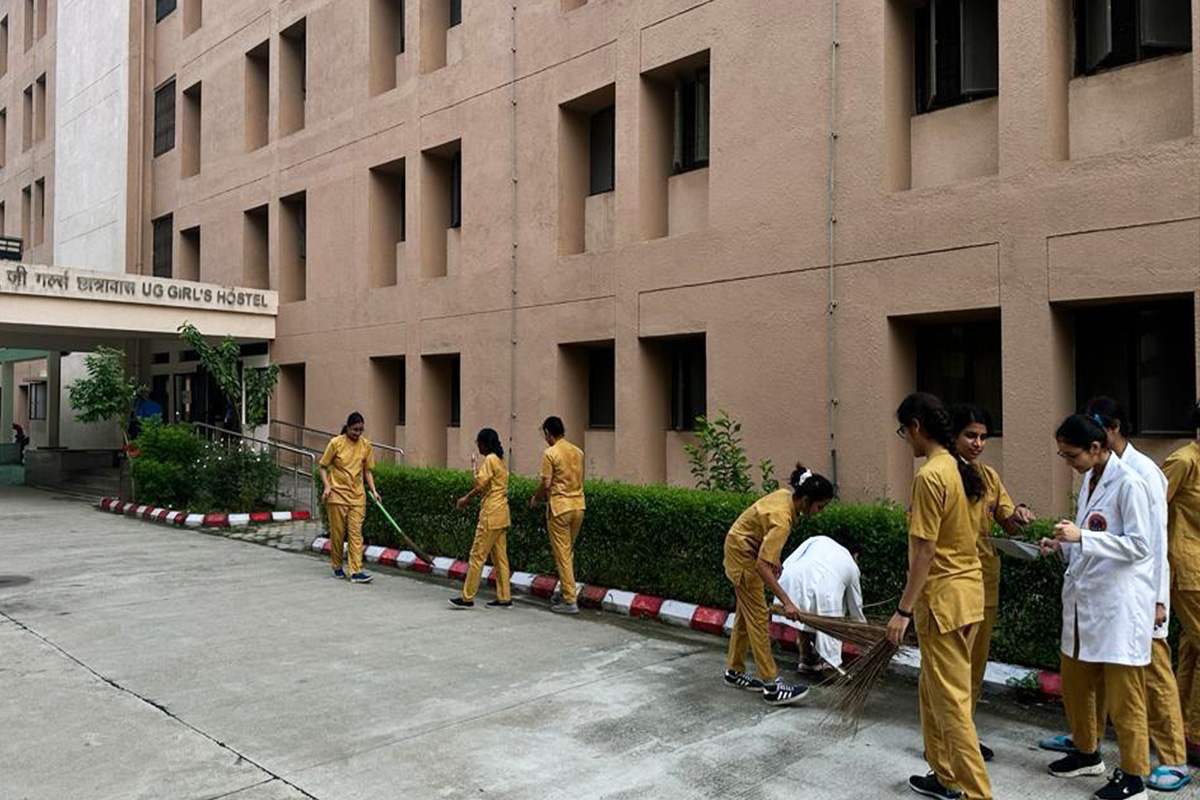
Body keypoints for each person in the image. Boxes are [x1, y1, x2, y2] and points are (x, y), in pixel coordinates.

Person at [1039, 397, 1188, 792]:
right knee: (1076, 682)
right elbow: (1096, 537)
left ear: (1097, 446)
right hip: (1086, 602)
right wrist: (1064, 544)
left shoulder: (1133, 482)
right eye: (1063, 456)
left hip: (1120, 608)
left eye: (1072, 455)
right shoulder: (1091, 479)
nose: (1069, 463)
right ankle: (1087, 752)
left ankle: (1134, 773)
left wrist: (1084, 536)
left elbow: (1142, 545)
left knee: (1126, 697)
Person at [889, 392, 992, 800]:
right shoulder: (958, 468)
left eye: (903, 431)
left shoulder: (931, 475)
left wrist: (903, 610)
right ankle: (945, 775)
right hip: (967, 596)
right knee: (933, 690)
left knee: (951, 703)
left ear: (916, 426)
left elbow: (926, 551)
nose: (905, 440)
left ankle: (976, 792)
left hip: (943, 601)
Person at [951, 404, 1035, 762]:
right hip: (951, 586)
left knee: (976, 665)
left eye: (984, 437)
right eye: (971, 435)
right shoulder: (940, 475)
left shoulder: (989, 477)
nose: (979, 443)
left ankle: (964, 733)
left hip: (984, 583)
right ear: (953, 435)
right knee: (952, 667)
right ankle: (944, 741)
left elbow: (1007, 521)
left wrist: (1019, 516)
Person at [722, 463, 834, 707]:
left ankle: (734, 670)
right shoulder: (783, 520)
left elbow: (761, 533)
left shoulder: (785, 497)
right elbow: (762, 567)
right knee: (759, 618)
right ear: (805, 499)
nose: (820, 511)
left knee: (746, 615)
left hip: (741, 547)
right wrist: (788, 602)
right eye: (819, 506)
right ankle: (771, 685)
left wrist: (774, 559)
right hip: (743, 557)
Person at [776, 531, 863, 675]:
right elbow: (856, 605)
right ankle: (830, 663)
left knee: (801, 616)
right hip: (825, 590)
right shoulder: (852, 565)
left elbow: (793, 558)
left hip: (792, 578)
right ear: (855, 555)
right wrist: (861, 629)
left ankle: (807, 659)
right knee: (833, 620)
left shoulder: (818, 540)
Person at [1166, 400, 1200, 769]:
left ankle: (1181, 731)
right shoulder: (1183, 461)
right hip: (1189, 570)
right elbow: (1152, 510)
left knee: (1192, 650)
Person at [449, 428, 513, 610]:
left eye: (478, 442)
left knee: (477, 556)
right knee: (500, 558)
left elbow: (479, 484)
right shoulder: (501, 460)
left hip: (490, 515)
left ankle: (467, 597)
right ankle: (504, 597)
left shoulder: (490, 459)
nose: (477, 445)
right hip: (502, 514)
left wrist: (473, 468)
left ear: (484, 443)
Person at [530, 416, 586, 615]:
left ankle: (570, 600)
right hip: (578, 506)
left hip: (560, 508)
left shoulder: (550, 453)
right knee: (567, 552)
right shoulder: (577, 452)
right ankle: (563, 591)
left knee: (562, 555)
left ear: (547, 433)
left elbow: (546, 484)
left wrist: (536, 498)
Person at [319, 412, 380, 584]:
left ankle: (356, 571)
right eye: (354, 430)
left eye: (361, 430)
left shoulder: (366, 445)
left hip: (357, 496)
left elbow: (367, 471)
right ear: (347, 427)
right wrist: (327, 486)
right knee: (338, 534)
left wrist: (374, 491)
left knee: (356, 534)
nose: (357, 433)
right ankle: (337, 565)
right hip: (337, 495)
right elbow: (323, 467)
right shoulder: (335, 443)